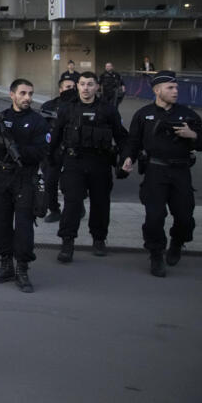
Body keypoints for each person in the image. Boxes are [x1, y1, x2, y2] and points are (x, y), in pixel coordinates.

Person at [121, 71, 202, 277]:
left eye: (176, 87)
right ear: (157, 90)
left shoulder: (188, 115)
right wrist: (127, 158)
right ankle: (156, 254)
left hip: (180, 171)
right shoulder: (143, 114)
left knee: (185, 217)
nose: (175, 91)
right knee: (154, 216)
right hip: (155, 171)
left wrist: (193, 135)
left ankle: (177, 242)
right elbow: (132, 141)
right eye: (170, 88)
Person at [0, 79, 49, 293]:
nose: (27, 98)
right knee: (2, 223)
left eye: (30, 93)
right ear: (12, 95)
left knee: (24, 226)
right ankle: (6, 266)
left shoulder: (38, 121)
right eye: (22, 93)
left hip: (25, 177)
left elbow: (42, 151)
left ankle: (22, 269)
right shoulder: (2, 117)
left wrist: (18, 149)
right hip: (3, 177)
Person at [49, 71, 129, 263]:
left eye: (90, 84)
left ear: (97, 87)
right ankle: (67, 242)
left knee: (101, 204)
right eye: (82, 84)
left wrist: (126, 158)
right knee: (73, 203)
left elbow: (121, 136)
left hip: (100, 163)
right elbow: (56, 137)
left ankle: (99, 239)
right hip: (73, 162)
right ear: (77, 86)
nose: (86, 88)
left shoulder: (108, 110)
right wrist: (50, 161)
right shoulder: (67, 109)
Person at [38, 73, 79, 223]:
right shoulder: (49, 106)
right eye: (68, 87)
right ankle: (54, 209)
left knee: (72, 184)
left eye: (74, 87)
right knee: (50, 182)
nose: (72, 89)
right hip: (53, 151)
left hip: (72, 151)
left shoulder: (79, 106)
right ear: (61, 89)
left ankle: (78, 207)